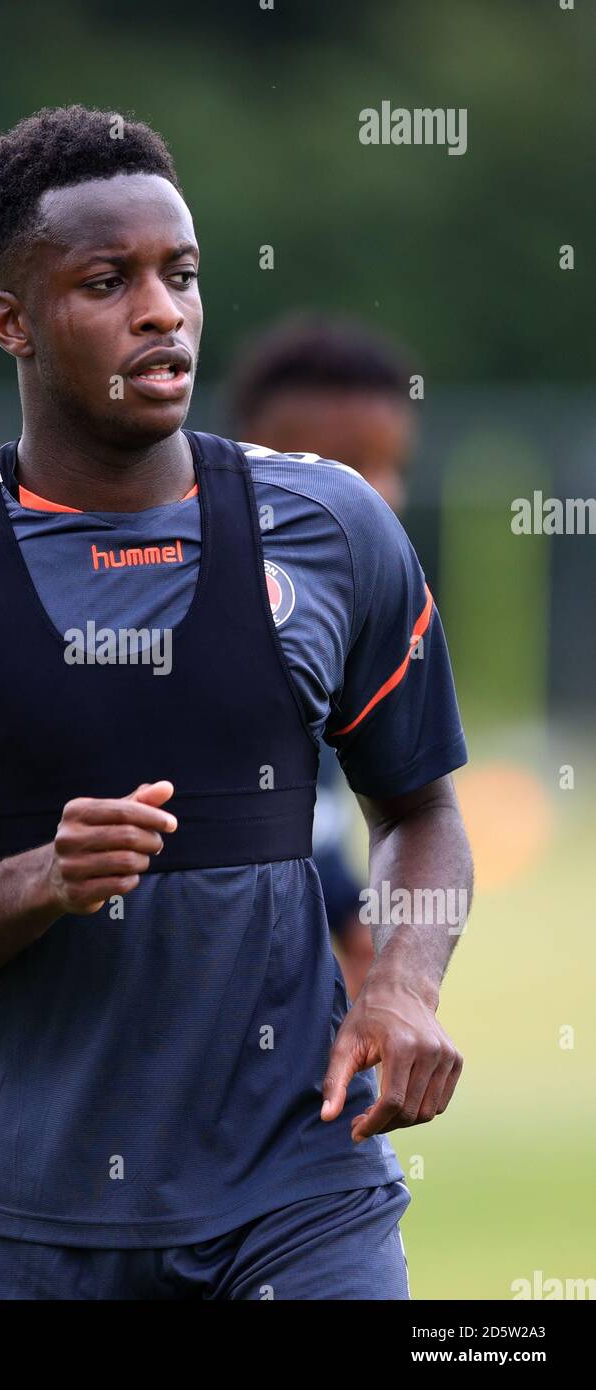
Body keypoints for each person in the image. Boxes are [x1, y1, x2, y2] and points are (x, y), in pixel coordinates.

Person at [0, 105, 471, 1301]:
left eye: (179, 274)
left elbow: (421, 806)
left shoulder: (331, 526)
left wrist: (400, 980)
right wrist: (40, 877)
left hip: (307, 1191)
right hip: (52, 1215)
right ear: (11, 321)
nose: (161, 310)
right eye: (106, 281)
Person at [228, 316, 418, 999]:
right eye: (354, 464)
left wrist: (346, 912)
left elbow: (321, 798)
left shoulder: (349, 602)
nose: (384, 493)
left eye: (393, 465)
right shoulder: (215, 596)